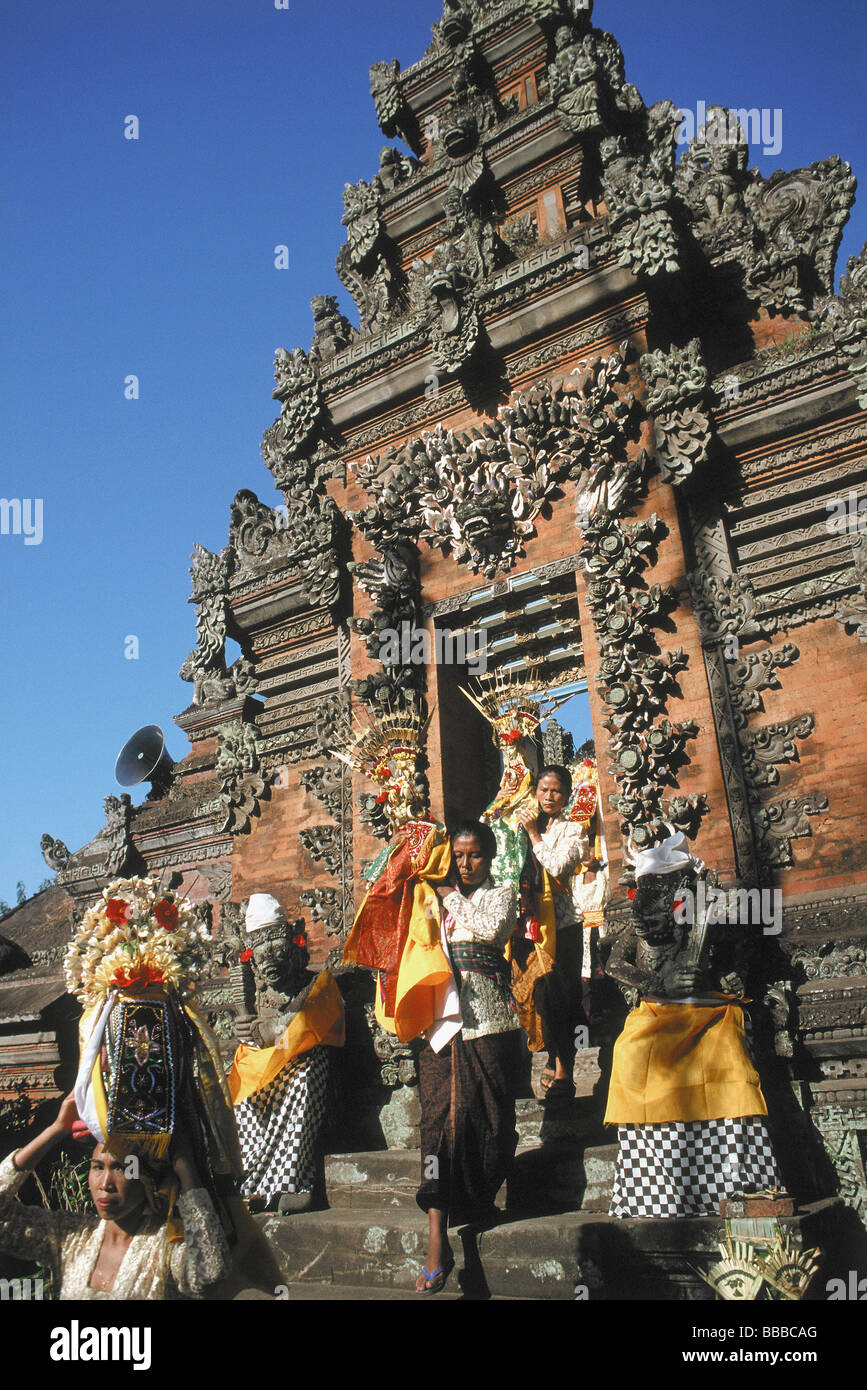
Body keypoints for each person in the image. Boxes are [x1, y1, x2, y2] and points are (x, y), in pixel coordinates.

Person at [415, 821, 522, 1294]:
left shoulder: (502, 894)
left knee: (492, 1119)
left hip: (489, 1023)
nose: (465, 864)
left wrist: (448, 897)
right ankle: (436, 1237)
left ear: (490, 856)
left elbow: (490, 930)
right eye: (457, 856)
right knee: (437, 1123)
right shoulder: (431, 900)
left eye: (474, 854)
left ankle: (478, 1199)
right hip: (441, 1026)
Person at [0, 1092, 231, 1299]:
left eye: (121, 1168)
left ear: (146, 1178)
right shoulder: (72, 1237)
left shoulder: (164, 1248)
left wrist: (185, 1167)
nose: (105, 1184)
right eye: (97, 1167)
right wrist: (56, 1129)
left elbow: (209, 1275)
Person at [229, 894, 345, 1214]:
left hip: (305, 1065)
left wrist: (262, 1031)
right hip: (268, 1068)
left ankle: (293, 1183)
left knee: (303, 1077)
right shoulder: (256, 998)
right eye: (261, 956)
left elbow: (299, 1028)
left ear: (295, 947)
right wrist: (248, 1032)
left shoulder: (318, 985)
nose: (270, 962)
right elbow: (259, 1038)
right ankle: (250, 1182)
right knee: (239, 1086)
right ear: (252, 962)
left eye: (277, 951)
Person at [517, 763, 608, 1101]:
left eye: (556, 791)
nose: (549, 796)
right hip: (532, 925)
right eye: (543, 790)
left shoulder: (573, 830)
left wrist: (534, 836)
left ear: (567, 795)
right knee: (538, 996)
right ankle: (549, 1056)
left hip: (563, 925)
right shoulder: (521, 825)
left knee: (562, 997)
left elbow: (557, 866)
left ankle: (564, 1071)